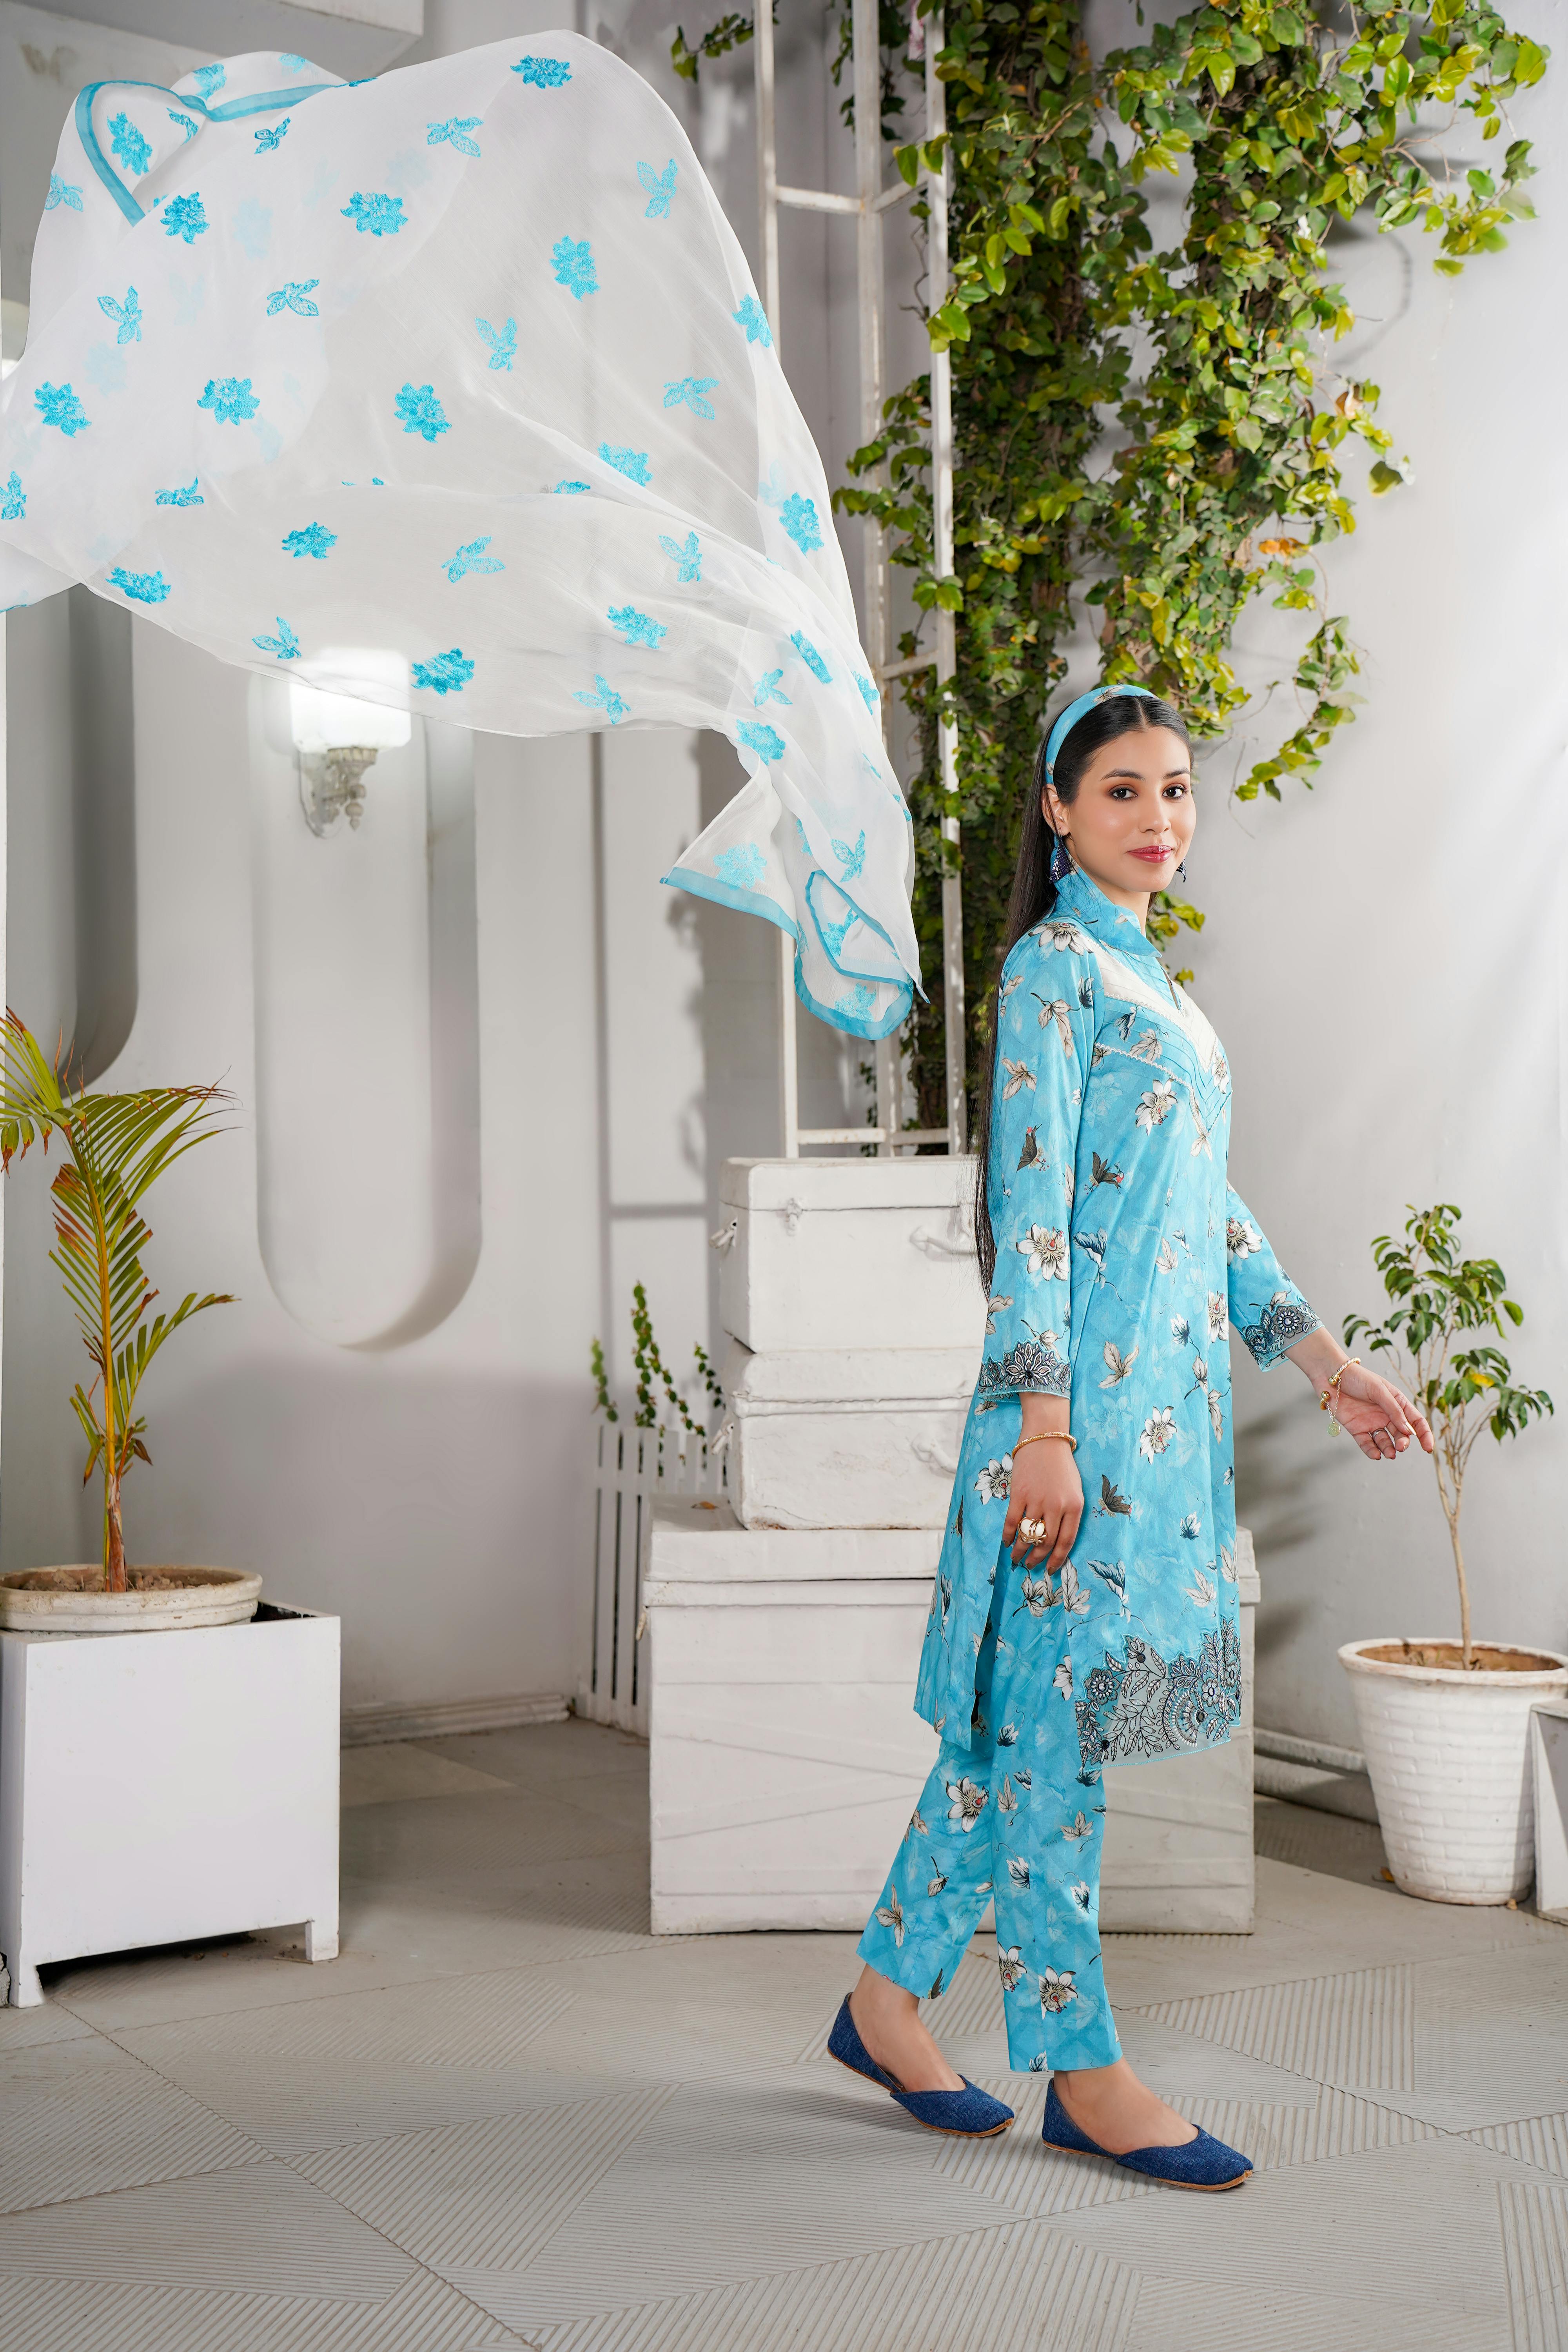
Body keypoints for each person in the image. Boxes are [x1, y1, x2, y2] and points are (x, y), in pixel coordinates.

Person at [828, 683, 1432, 2190]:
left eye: (1174, 790)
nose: (1157, 818)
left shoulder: (1165, 994)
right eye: (1121, 792)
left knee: (1020, 1729)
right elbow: (1031, 1214)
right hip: (1066, 1425)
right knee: (1048, 1741)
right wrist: (1044, 1425)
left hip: (1161, 1428)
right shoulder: (1050, 973)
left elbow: (1206, 1212)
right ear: (1057, 810)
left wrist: (1326, 1363)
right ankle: (1083, 2070)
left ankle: (884, 2003)